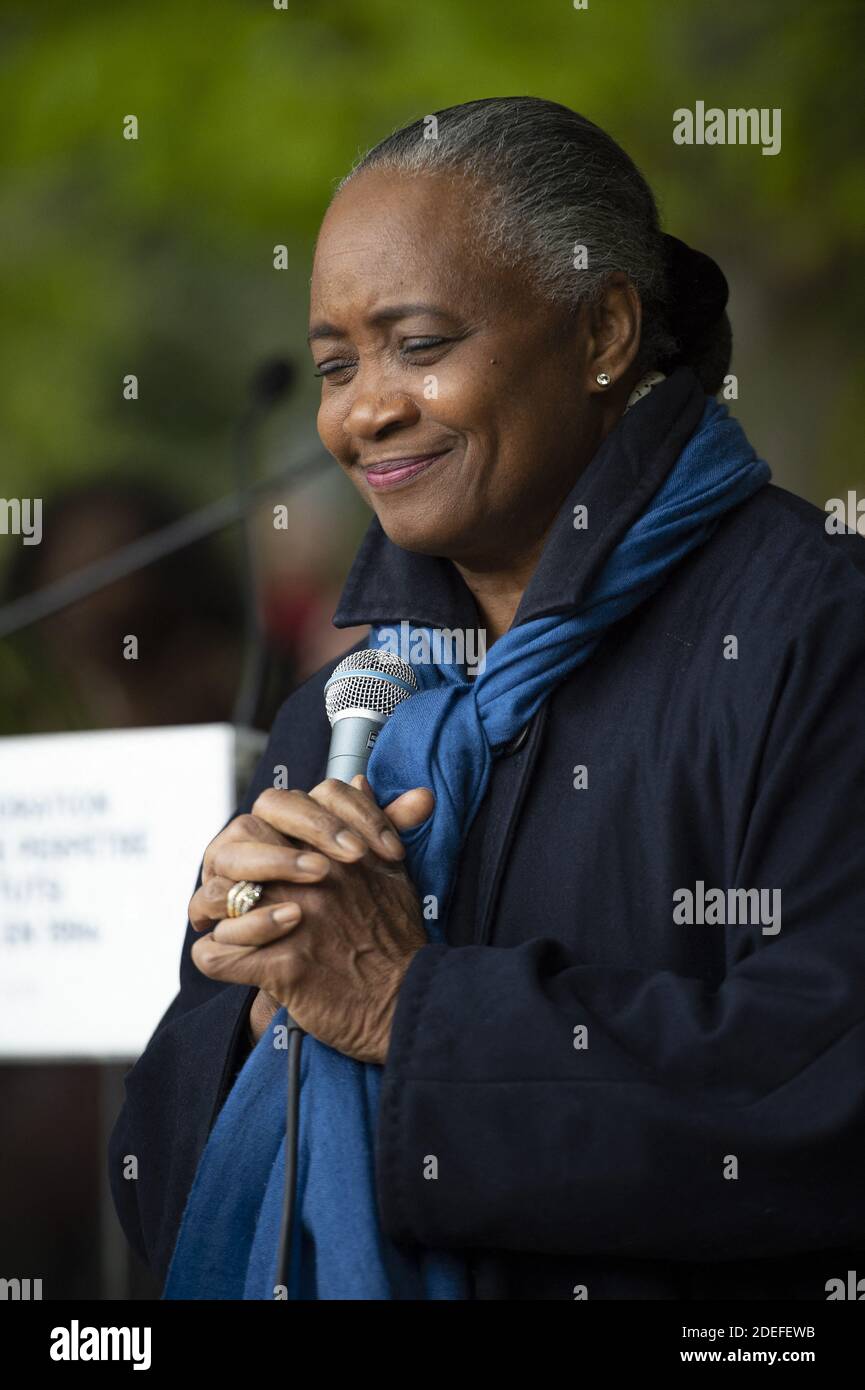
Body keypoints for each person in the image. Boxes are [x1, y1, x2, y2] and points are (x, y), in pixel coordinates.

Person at [109, 97, 865, 1301]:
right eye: (336, 366)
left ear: (605, 329)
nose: (363, 413)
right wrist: (262, 999)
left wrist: (407, 1010)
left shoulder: (813, 632)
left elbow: (820, 1109)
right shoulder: (340, 716)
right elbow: (153, 1187)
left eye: (418, 344)